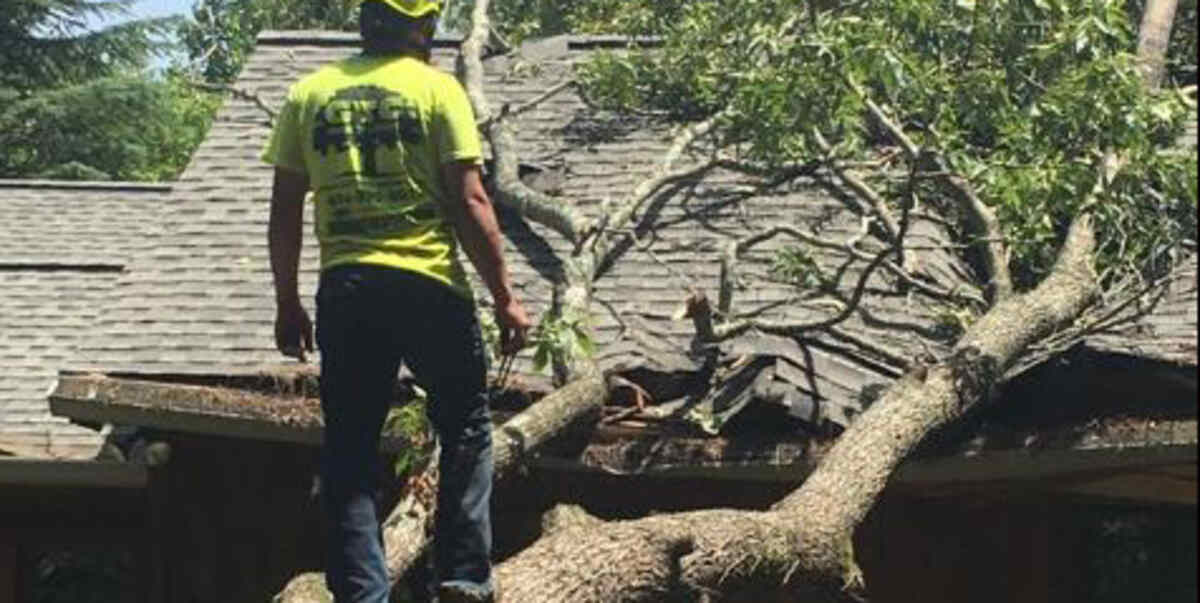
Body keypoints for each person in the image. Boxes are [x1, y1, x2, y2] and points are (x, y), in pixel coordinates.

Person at [262, 1, 531, 601]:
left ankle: (361, 593)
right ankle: (463, 578)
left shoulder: (311, 94)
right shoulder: (438, 92)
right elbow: (471, 202)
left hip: (349, 287)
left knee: (350, 449)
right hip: (429, 285)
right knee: (464, 427)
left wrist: (287, 302)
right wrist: (506, 298)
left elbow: (284, 209)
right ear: (423, 26)